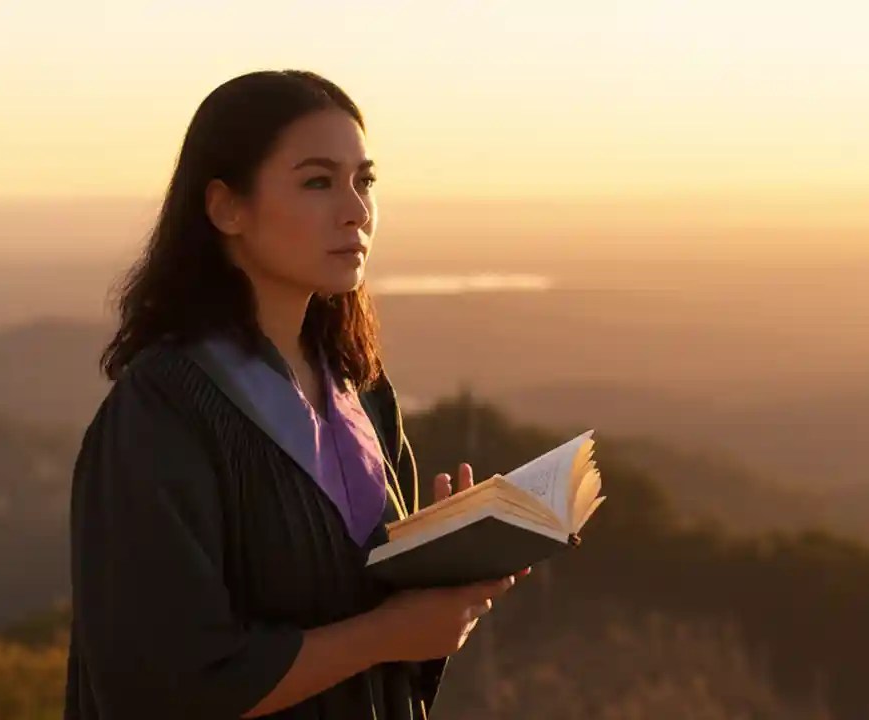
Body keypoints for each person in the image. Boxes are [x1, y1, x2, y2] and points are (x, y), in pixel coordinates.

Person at [64, 70, 529, 719]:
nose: (356, 211)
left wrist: (440, 575)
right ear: (226, 207)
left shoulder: (362, 392)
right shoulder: (161, 413)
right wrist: (390, 632)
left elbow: (386, 649)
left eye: (364, 181)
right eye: (318, 182)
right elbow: (161, 685)